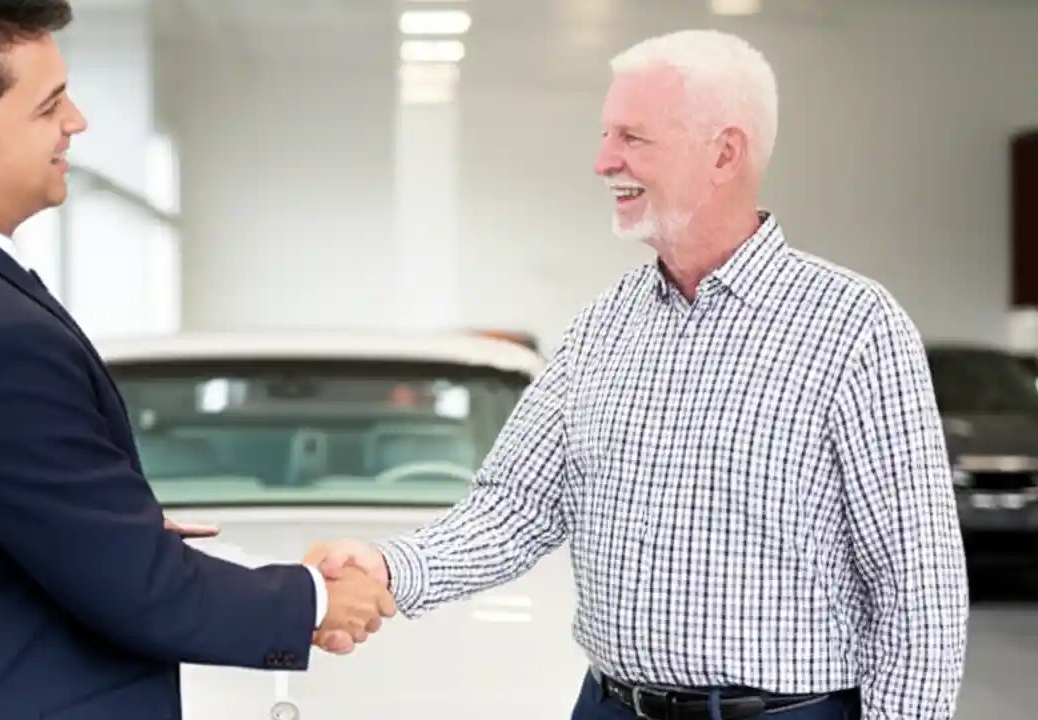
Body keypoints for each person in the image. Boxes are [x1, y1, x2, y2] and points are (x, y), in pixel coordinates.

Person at [305, 29, 969, 720]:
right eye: (605, 135)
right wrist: (386, 568)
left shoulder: (854, 327)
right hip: (609, 708)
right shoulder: (601, 327)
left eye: (632, 137)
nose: (602, 161)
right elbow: (514, 507)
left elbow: (917, 584)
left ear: (724, 153)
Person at [0, 2, 392, 718]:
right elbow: (141, 590)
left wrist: (99, 516)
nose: (77, 122)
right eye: (49, 105)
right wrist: (314, 598)